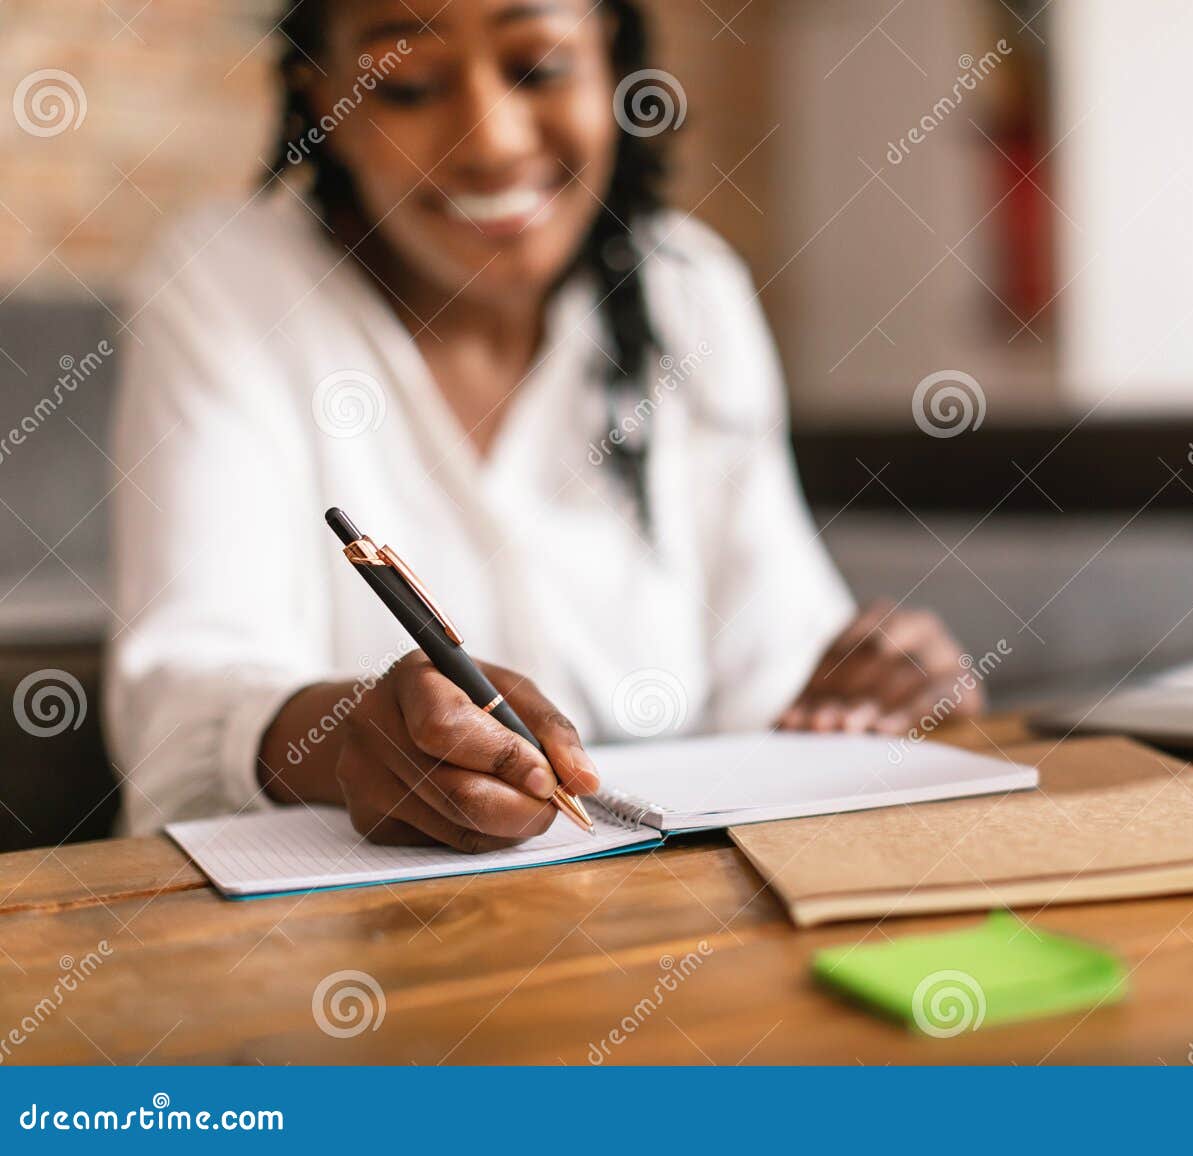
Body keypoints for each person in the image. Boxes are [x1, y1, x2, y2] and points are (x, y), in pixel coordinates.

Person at [107, 0, 979, 850]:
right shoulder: (225, 286)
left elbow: (778, 663)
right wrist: (345, 740)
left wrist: (873, 688)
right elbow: (178, 715)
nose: (490, 140)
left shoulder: (688, 287)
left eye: (540, 67)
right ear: (318, 99)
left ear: (610, 61)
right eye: (406, 82)